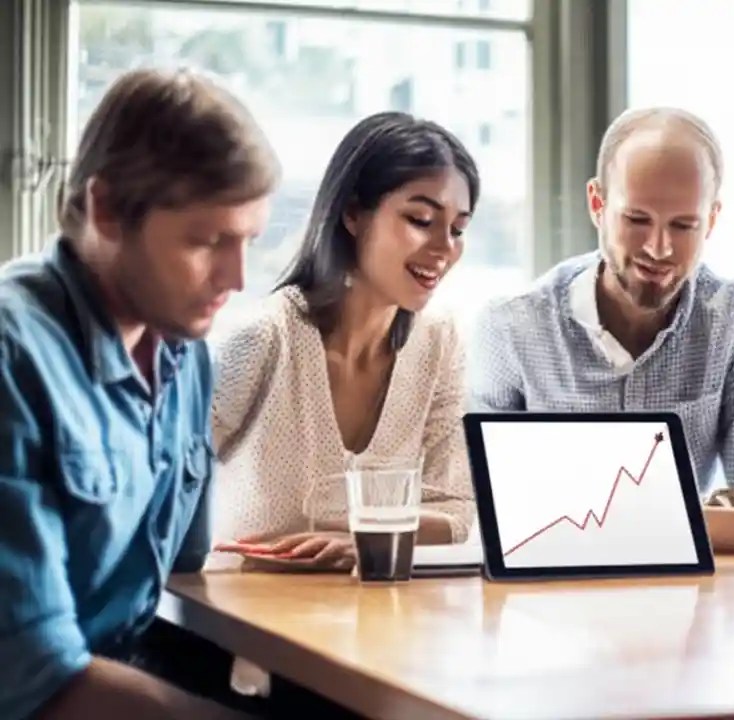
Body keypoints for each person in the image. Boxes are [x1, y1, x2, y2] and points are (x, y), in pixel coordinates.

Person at [0, 68, 276, 718]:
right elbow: (33, 680)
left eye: (249, 243)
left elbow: (179, 577)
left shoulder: (184, 352)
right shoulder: (14, 358)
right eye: (209, 242)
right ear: (107, 211)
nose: (237, 278)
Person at [209, 112, 479, 571]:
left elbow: (456, 515)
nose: (444, 248)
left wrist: (364, 540)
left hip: (379, 621)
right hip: (244, 621)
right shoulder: (264, 338)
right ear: (353, 213)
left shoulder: (440, 342)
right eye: (421, 219)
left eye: (457, 229)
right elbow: (161, 484)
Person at [468, 107, 734, 500]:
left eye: (683, 226)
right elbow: (486, 502)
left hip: (687, 561)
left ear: (712, 219)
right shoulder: (511, 327)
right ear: (597, 204)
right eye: (637, 219)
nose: (658, 247)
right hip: (558, 559)